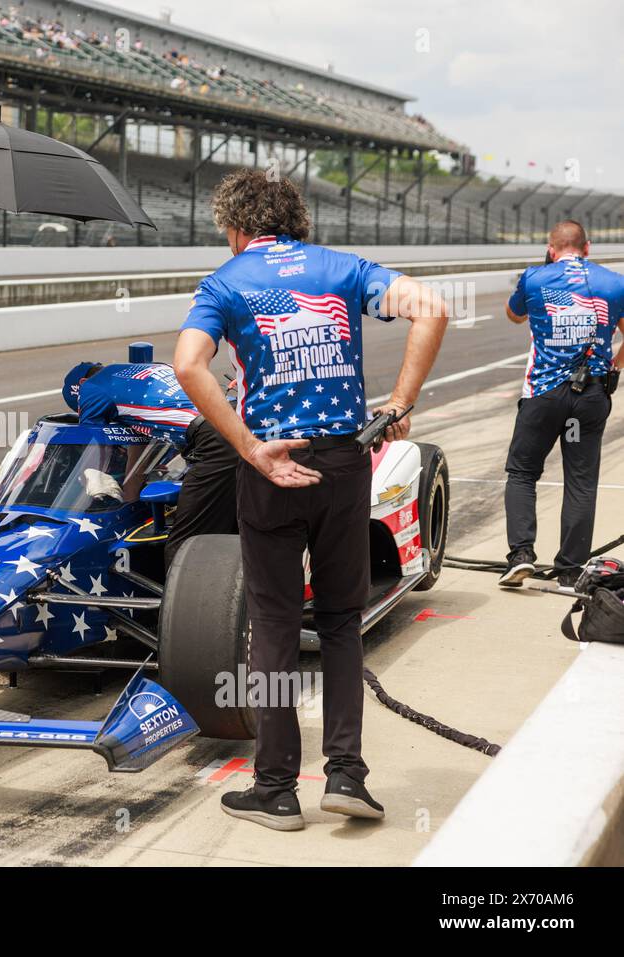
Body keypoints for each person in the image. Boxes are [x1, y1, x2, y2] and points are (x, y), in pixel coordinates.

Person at [174, 169, 447, 831]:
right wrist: (401, 402)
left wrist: (245, 445)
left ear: (237, 229)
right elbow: (432, 308)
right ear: (297, 221)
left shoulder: (228, 280)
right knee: (340, 620)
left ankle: (274, 788)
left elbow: (187, 365)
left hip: (271, 463)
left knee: (272, 623)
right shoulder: (343, 267)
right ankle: (347, 775)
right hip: (345, 461)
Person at [498, 220, 624, 590]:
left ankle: (521, 556)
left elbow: (514, 314)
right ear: (588, 248)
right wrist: (614, 366)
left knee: (522, 473)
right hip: (592, 394)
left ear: (552, 249)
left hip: (543, 394)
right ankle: (570, 570)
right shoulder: (614, 282)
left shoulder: (535, 277)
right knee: (581, 482)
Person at [61, 359, 239, 567]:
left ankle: (191, 599)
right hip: (240, 418)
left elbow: (91, 444)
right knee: (241, 524)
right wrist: (130, 499)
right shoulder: (154, 367)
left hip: (215, 437)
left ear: (81, 384)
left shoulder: (91, 387)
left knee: (184, 546)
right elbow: (139, 454)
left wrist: (91, 474)